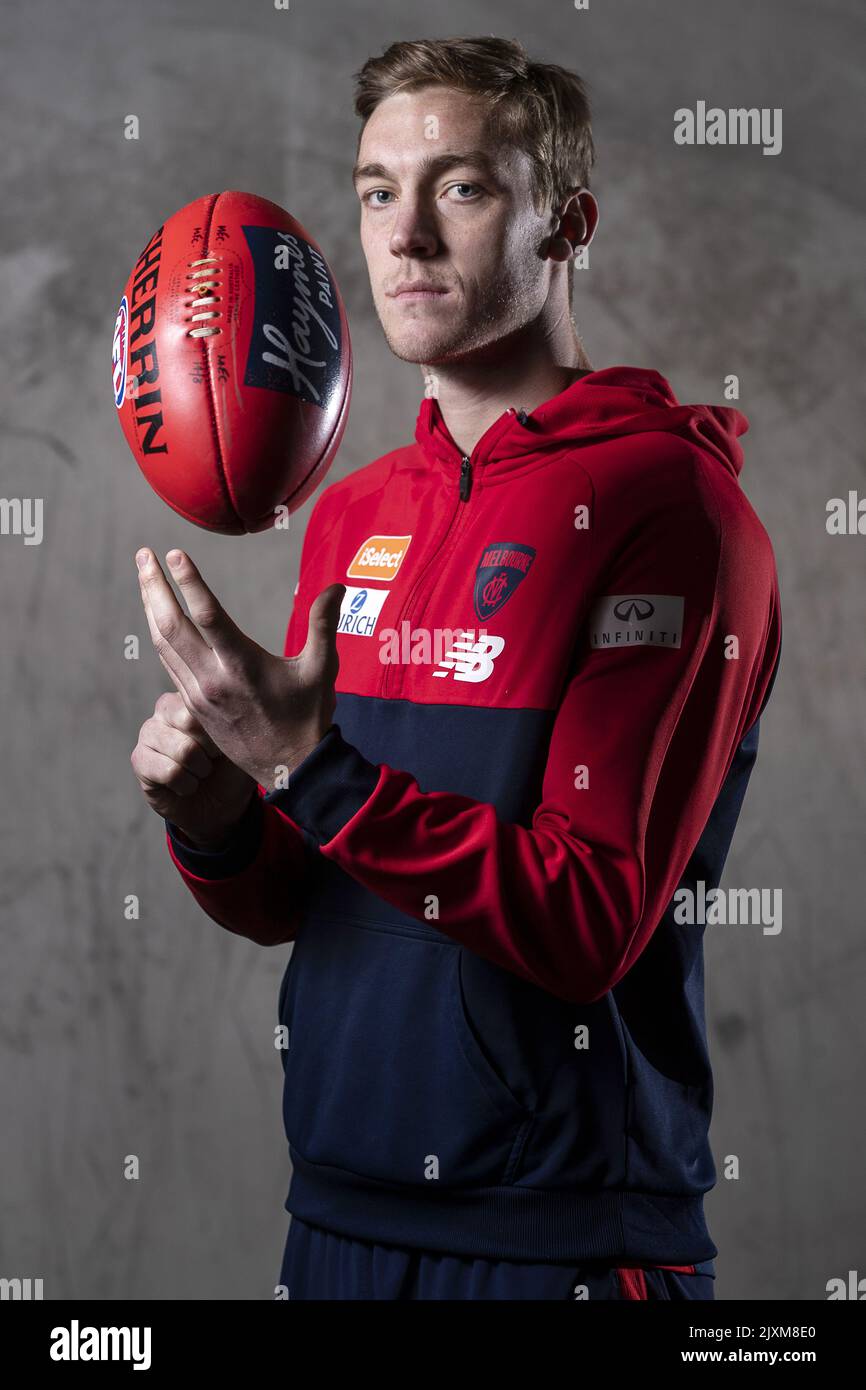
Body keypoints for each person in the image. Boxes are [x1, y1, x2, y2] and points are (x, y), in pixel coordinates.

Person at [130, 35, 781, 1301]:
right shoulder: (353, 511)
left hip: (561, 1246)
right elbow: (311, 897)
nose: (405, 237)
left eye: (463, 188)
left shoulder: (670, 511)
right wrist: (217, 819)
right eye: (377, 192)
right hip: (332, 1219)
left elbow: (587, 918)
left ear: (566, 223)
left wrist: (304, 767)